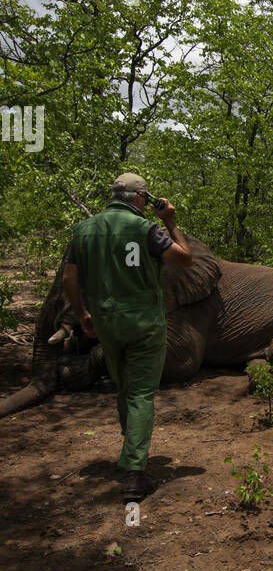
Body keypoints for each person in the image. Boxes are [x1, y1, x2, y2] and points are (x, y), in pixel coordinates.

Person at [62, 173, 193, 500]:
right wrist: (171, 221)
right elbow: (185, 259)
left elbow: (68, 277)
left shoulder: (83, 230)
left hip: (106, 322)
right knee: (141, 393)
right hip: (145, 322)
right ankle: (135, 473)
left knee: (124, 388)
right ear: (140, 199)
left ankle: (130, 452)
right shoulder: (146, 229)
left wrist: (82, 314)